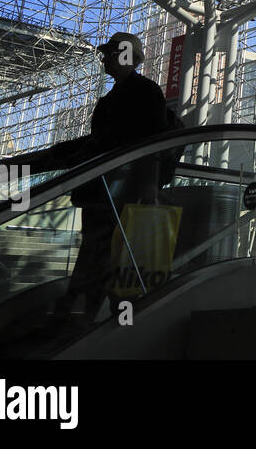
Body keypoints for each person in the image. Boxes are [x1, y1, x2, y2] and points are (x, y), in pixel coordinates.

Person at [54, 32, 169, 320]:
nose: (104, 58)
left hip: (119, 191)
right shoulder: (121, 96)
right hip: (106, 189)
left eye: (111, 53)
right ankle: (91, 312)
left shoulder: (143, 92)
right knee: (101, 252)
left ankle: (85, 313)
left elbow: (153, 143)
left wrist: (148, 191)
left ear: (128, 55)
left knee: (104, 253)